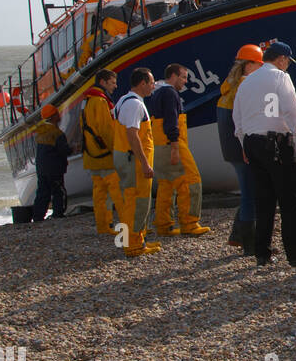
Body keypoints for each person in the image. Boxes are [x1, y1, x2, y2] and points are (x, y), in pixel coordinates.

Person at [233, 41, 296, 266]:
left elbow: (237, 118)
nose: (287, 66)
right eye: (287, 61)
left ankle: (263, 253)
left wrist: (244, 145)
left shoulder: (246, 82)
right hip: (277, 142)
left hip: (252, 142)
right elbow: (291, 111)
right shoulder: (280, 77)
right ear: (281, 59)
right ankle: (295, 254)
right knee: (291, 199)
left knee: (264, 199)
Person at [147, 63, 210, 237]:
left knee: (167, 184)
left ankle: (163, 224)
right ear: (173, 76)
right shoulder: (170, 93)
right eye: (183, 77)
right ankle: (189, 223)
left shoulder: (156, 93)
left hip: (159, 144)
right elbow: (171, 120)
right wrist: (175, 146)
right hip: (171, 142)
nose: (185, 82)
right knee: (191, 180)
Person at [218, 44, 264, 254]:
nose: (261, 68)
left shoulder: (229, 86)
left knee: (248, 191)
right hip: (242, 147)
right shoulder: (245, 87)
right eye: (258, 64)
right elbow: (245, 121)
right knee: (250, 194)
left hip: (231, 148)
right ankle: (249, 244)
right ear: (249, 65)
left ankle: (238, 236)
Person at [112, 68, 161, 257]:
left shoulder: (123, 100)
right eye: (151, 82)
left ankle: (132, 240)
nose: (153, 86)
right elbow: (132, 135)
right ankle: (134, 244)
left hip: (124, 157)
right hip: (133, 160)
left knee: (127, 200)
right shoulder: (135, 105)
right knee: (137, 201)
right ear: (142, 83)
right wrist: (145, 164)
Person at [82, 69, 123, 235]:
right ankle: (128, 227)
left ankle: (103, 225)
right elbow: (106, 128)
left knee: (99, 193)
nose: (115, 86)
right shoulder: (100, 101)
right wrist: (117, 149)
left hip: (91, 154)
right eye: (112, 82)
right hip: (105, 154)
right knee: (117, 192)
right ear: (103, 82)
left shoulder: (87, 101)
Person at [31, 104, 70, 222]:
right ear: (53, 117)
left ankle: (37, 217)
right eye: (57, 114)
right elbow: (64, 150)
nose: (60, 116)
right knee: (58, 191)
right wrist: (74, 148)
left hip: (41, 168)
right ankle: (58, 214)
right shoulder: (57, 133)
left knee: (43, 192)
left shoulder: (40, 132)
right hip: (54, 168)